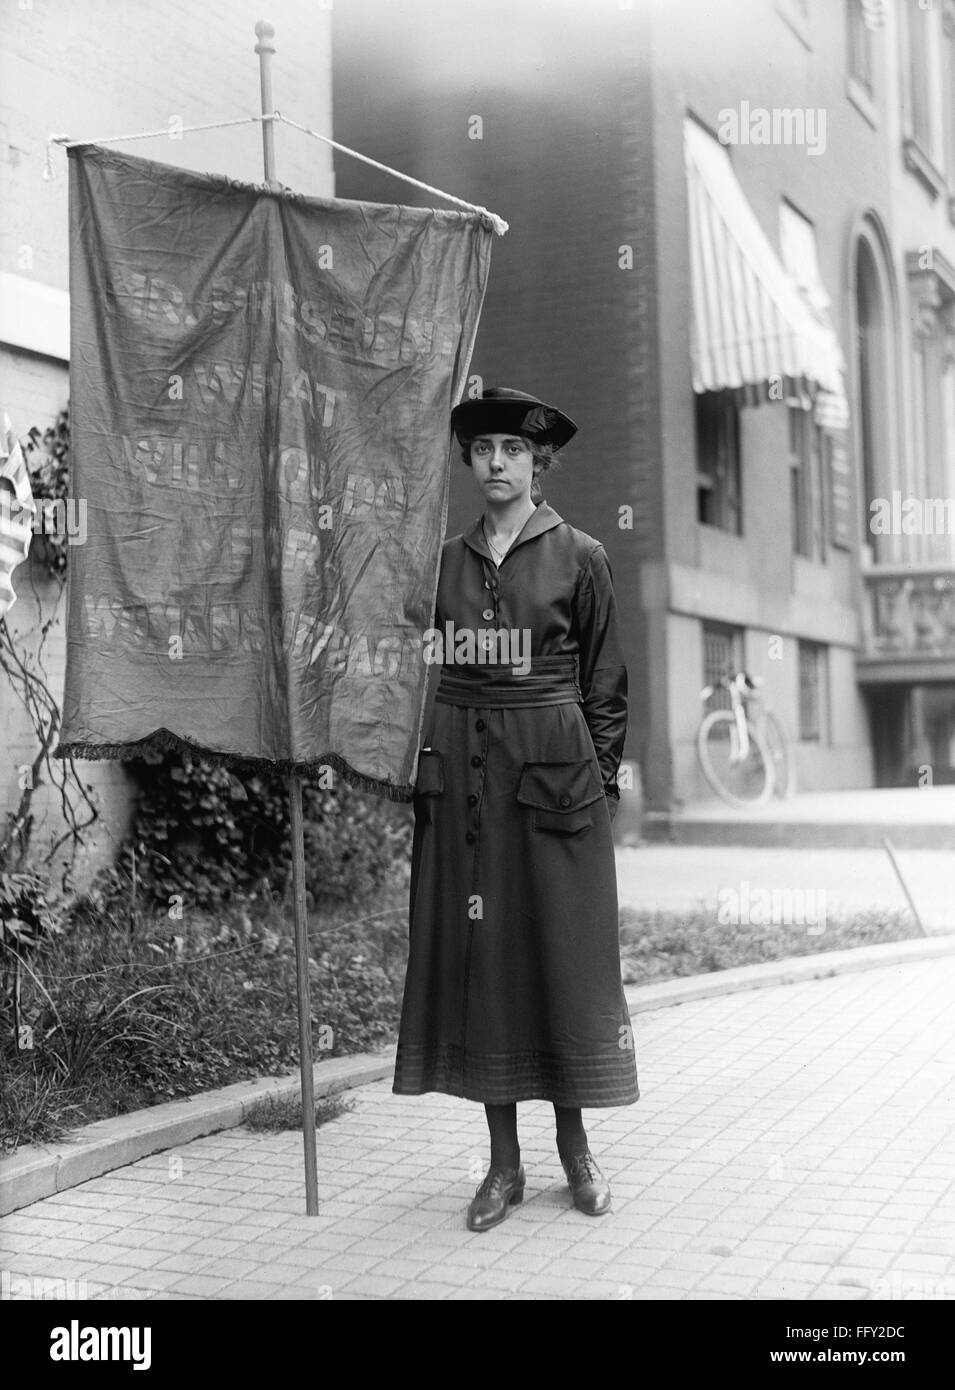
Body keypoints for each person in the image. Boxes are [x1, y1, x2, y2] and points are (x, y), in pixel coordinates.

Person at [393, 385, 639, 1232]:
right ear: (467, 463)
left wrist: (595, 779)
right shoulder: (443, 565)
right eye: (483, 449)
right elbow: (408, 662)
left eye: (513, 450)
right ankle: (502, 1163)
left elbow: (606, 685)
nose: (496, 463)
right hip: (463, 775)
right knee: (484, 960)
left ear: (538, 463)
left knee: (560, 959)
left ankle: (576, 1152)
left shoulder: (581, 555)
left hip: (556, 777)